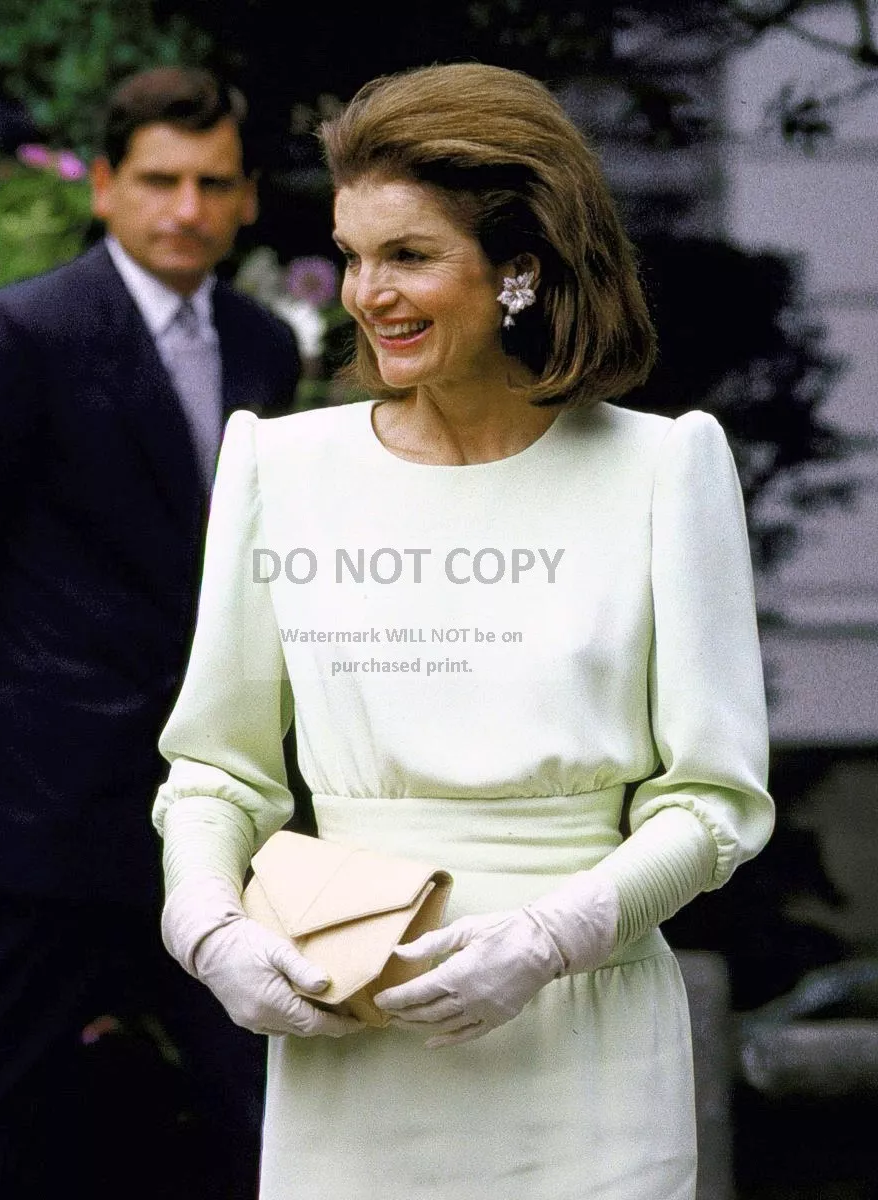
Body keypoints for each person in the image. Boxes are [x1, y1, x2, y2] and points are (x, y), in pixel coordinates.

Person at [153, 62, 775, 1200]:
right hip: (353, 1047)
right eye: (350, 255)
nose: (363, 293)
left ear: (520, 270)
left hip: (586, 1050)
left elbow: (714, 802)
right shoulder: (276, 467)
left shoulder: (664, 468)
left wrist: (550, 937)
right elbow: (214, 771)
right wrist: (209, 930)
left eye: (408, 256)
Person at [0, 66, 299, 1199]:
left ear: (244, 200)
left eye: (213, 184)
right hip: (44, 810)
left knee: (274, 1116)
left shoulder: (266, 344)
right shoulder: (16, 334)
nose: (186, 208)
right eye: (161, 181)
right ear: (105, 187)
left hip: (224, 815)